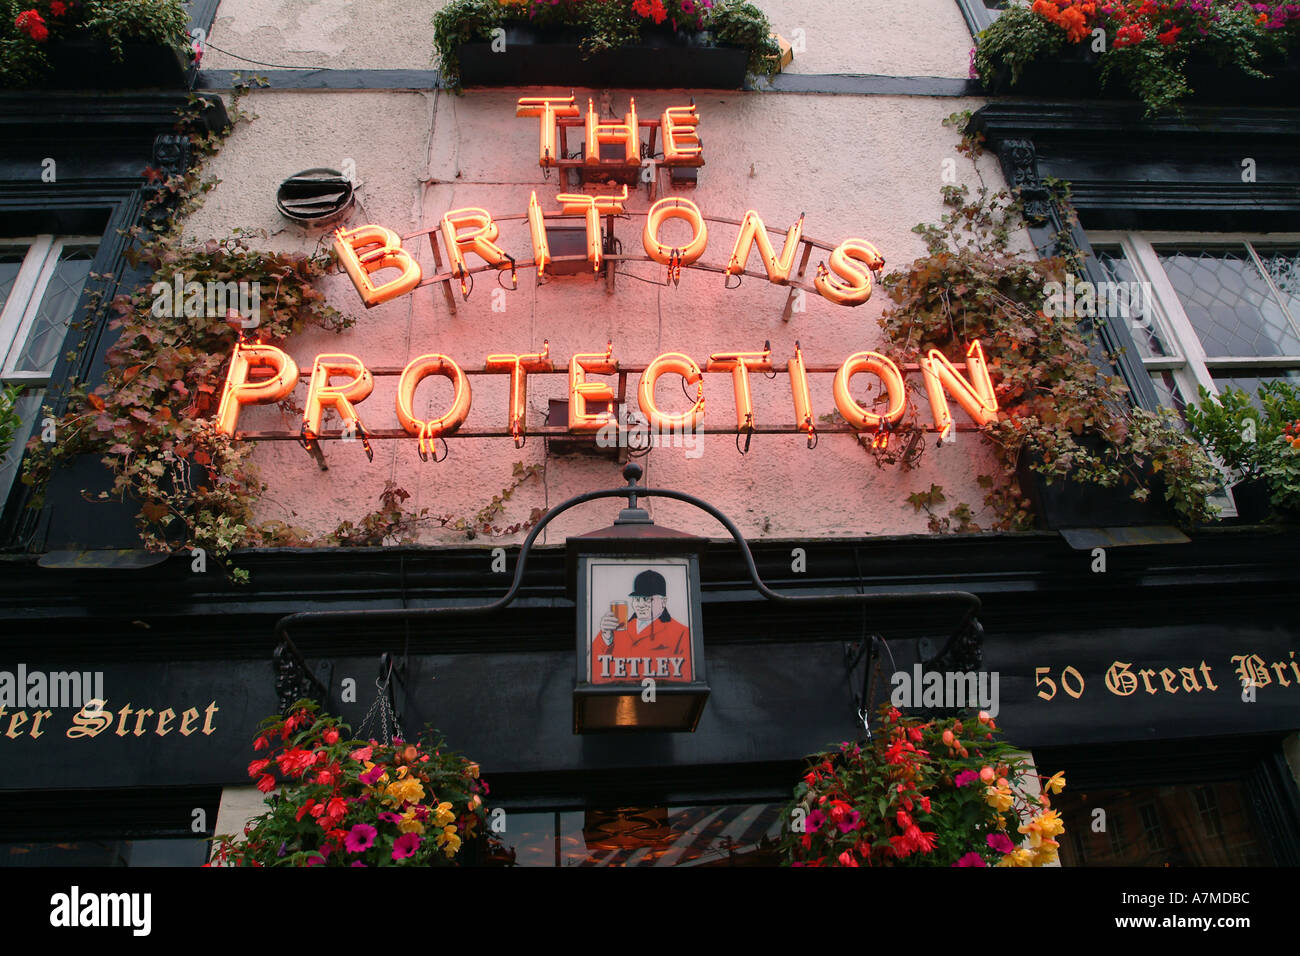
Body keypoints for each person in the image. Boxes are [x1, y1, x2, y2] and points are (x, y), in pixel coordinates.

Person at [593, 570, 691, 683]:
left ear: (664, 602)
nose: (640, 605)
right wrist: (605, 637)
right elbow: (592, 668)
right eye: (637, 599)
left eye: (647, 599)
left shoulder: (681, 633)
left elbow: (685, 678)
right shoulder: (617, 629)